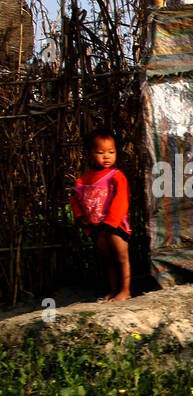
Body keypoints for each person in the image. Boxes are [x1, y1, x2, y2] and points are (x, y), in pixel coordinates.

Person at [71, 128, 132, 301]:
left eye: (111, 152)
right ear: (90, 154)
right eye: (100, 152)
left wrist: (111, 221)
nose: (107, 156)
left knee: (121, 257)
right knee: (108, 260)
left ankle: (125, 290)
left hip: (115, 225)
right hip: (96, 226)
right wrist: (80, 216)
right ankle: (112, 290)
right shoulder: (82, 181)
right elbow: (75, 200)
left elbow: (121, 199)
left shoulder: (116, 176)